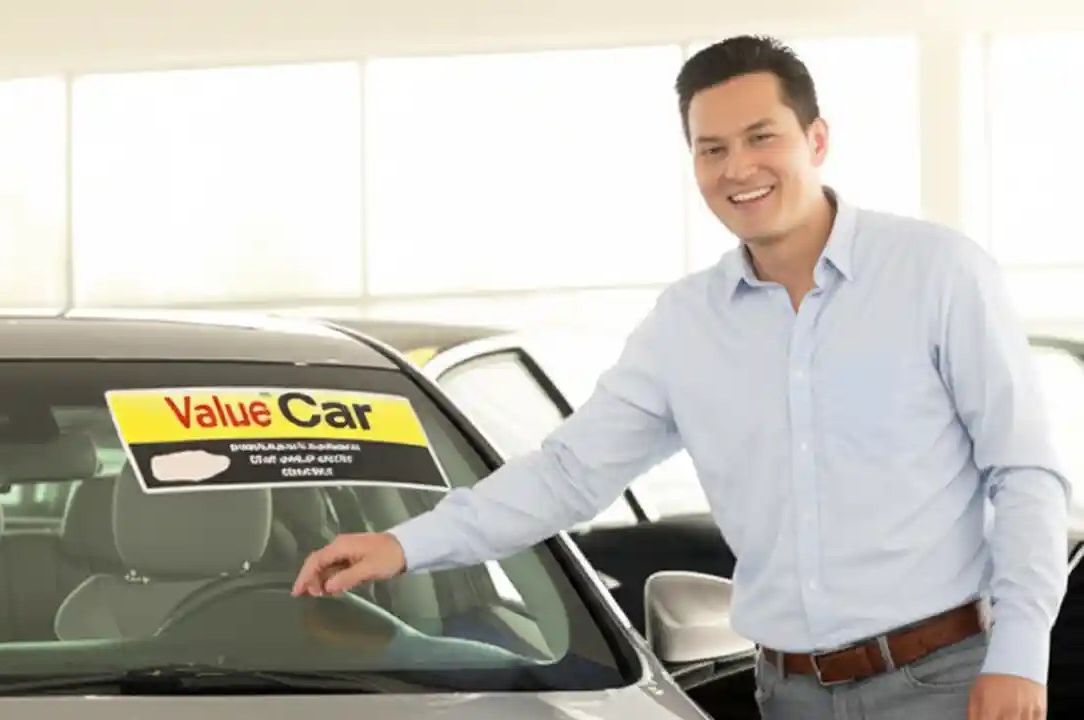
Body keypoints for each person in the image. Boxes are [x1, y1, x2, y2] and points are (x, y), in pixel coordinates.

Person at [291, 35, 1070, 719]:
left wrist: (1021, 654)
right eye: (712, 148)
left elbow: (1025, 473)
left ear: (817, 138)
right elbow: (568, 473)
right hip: (788, 694)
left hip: (949, 681)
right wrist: (403, 546)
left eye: (761, 137)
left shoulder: (937, 273)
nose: (739, 169)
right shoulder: (686, 325)